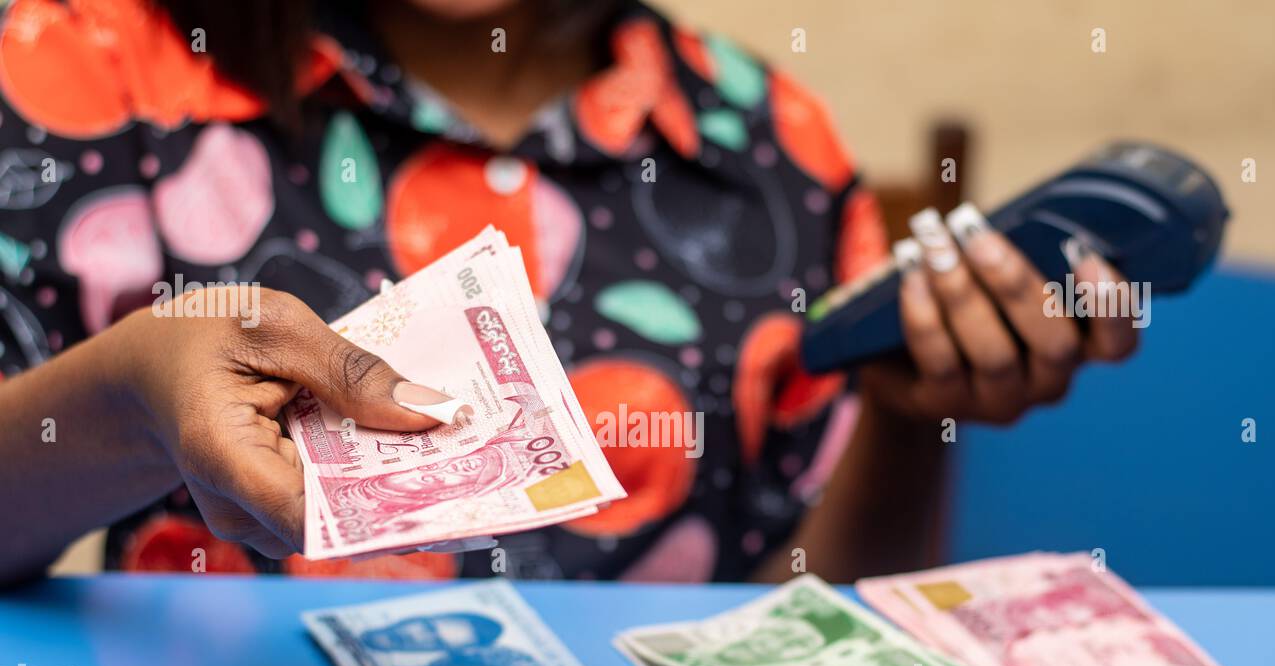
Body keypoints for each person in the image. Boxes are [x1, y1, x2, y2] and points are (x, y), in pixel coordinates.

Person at [0, 0, 1137, 587]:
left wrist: (908, 417)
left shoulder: (772, 141)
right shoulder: (85, 68)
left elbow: (808, 630)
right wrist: (120, 405)